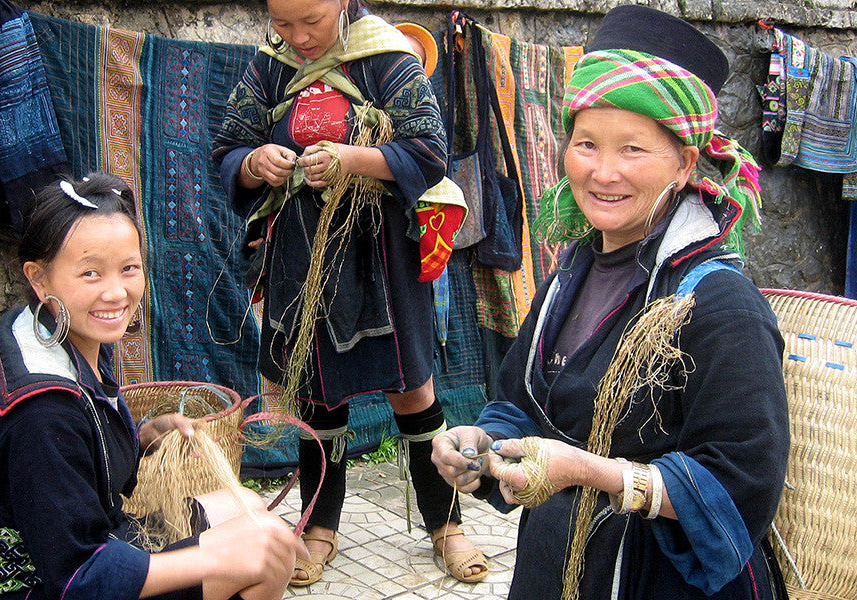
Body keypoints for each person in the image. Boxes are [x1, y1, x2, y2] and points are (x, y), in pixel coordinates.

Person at [431, 5, 789, 600]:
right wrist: (478, 443)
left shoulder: (720, 305)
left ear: (684, 165)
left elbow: (742, 484)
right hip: (555, 563)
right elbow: (524, 405)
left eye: (633, 150)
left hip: (657, 580)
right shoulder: (573, 268)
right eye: (587, 143)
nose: (603, 172)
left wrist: (587, 471)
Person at [212, 0, 486, 586]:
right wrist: (256, 163)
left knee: (412, 390)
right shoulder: (269, 67)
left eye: (310, 20)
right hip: (301, 258)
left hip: (380, 257)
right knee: (317, 394)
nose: (297, 36)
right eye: (282, 23)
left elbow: (429, 149)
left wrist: (351, 160)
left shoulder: (385, 57)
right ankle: (319, 527)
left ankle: (447, 525)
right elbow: (228, 148)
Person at [0, 172, 306, 600]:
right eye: (90, 274)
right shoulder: (42, 411)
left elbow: (80, 463)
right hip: (36, 585)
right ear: (38, 278)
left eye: (129, 268)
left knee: (248, 507)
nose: (116, 292)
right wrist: (217, 556)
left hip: (78, 549)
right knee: (263, 557)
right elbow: (78, 578)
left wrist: (143, 438)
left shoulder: (57, 333)